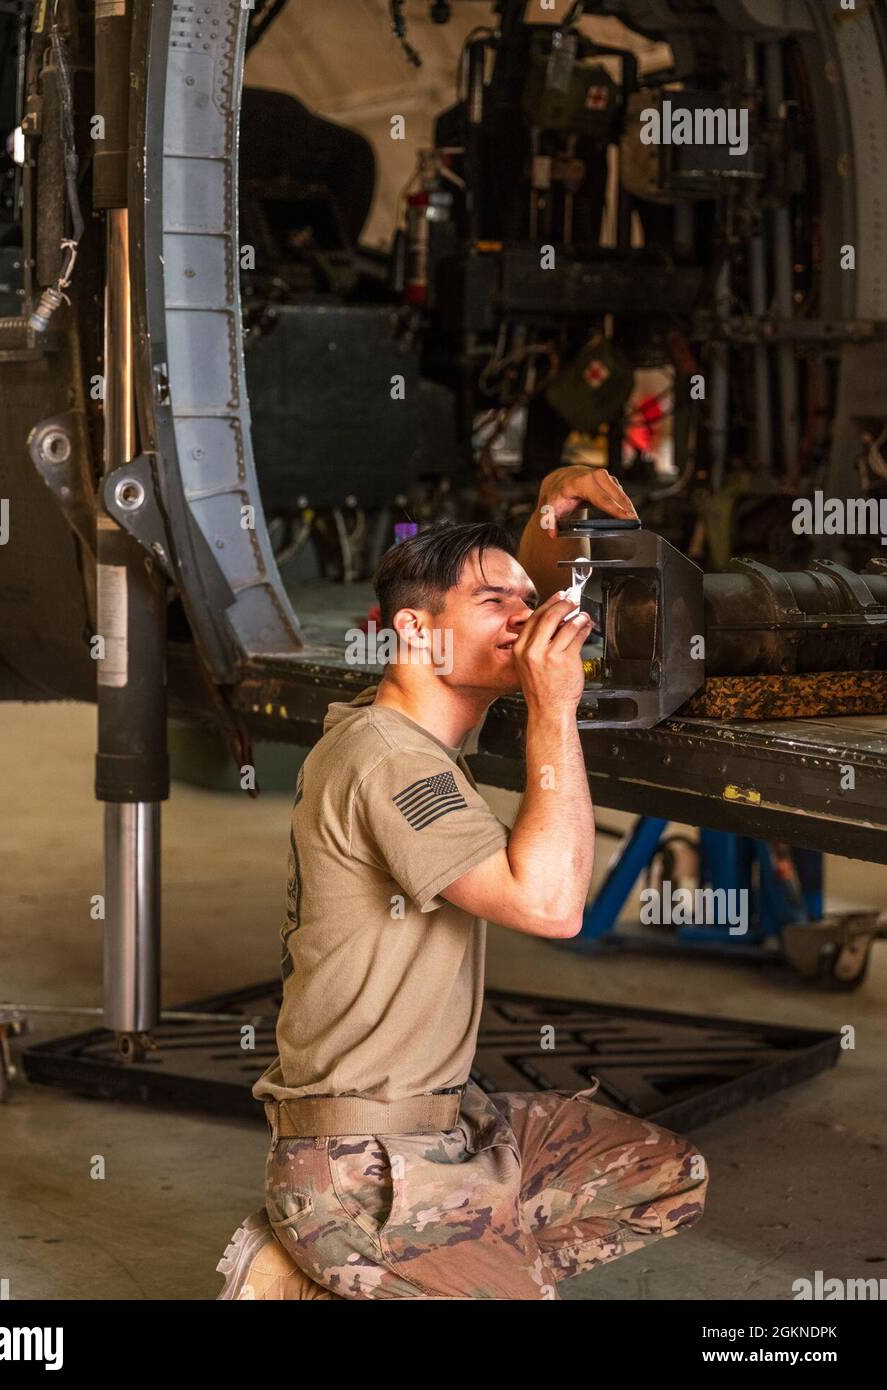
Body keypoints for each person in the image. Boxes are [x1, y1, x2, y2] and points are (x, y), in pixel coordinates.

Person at [217, 465, 708, 1301]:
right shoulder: (391, 761)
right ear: (416, 631)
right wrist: (553, 712)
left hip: (447, 1125)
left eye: (528, 601)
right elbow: (549, 907)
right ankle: (324, 1265)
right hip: (358, 1165)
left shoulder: (409, 735)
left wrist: (542, 521)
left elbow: (509, 600)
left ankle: (394, 1276)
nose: (527, 619)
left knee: (663, 1174)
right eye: (497, 605)